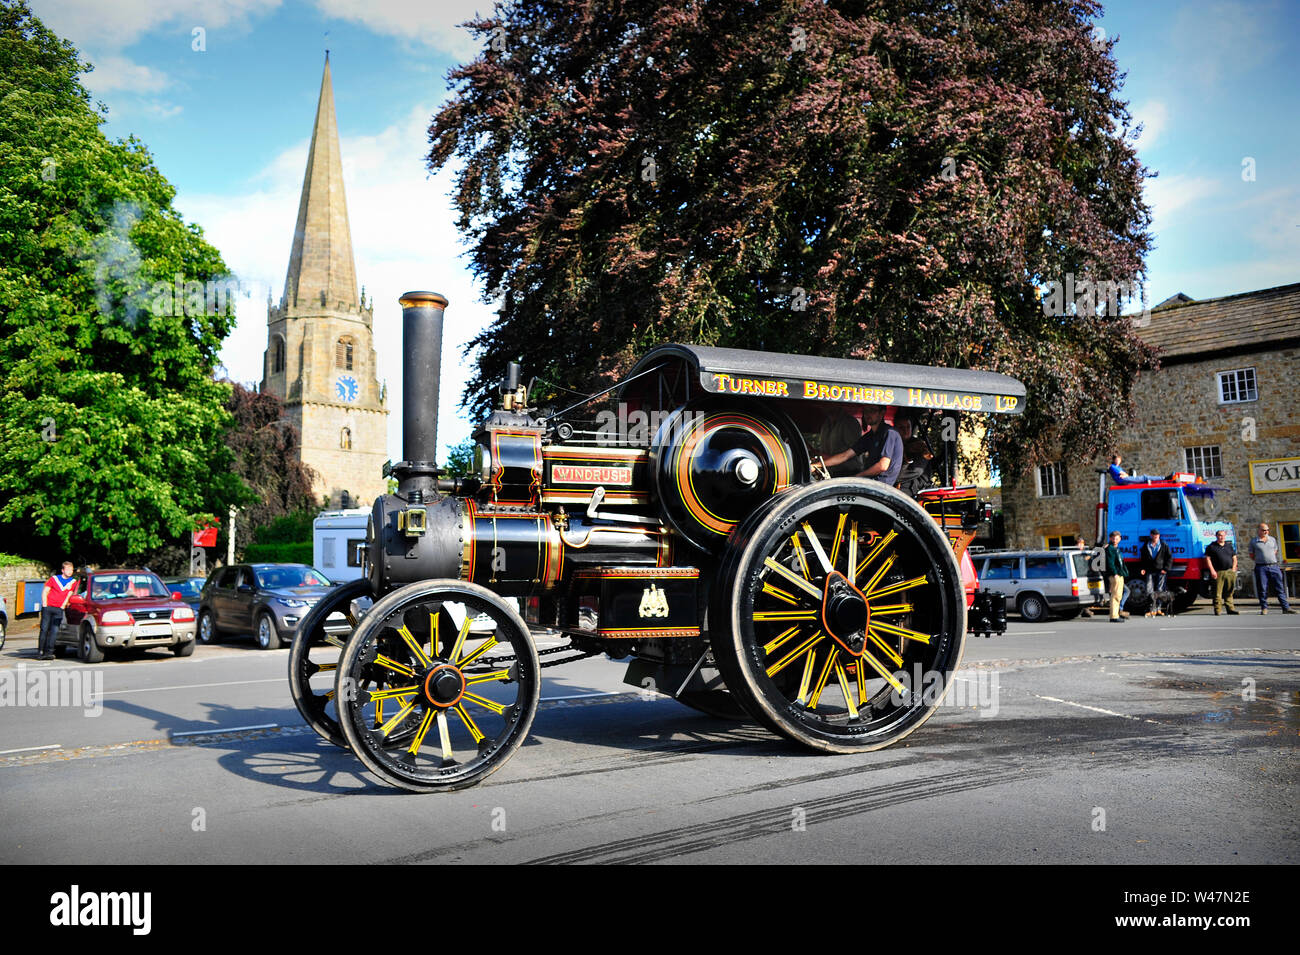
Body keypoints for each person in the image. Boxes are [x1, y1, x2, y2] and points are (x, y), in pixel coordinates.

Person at [818, 404, 904, 486]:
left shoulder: (889, 433)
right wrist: (818, 465)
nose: (868, 414)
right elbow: (845, 456)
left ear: (882, 413)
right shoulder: (869, 436)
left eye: (872, 410)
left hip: (882, 485)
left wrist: (857, 476)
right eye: (866, 411)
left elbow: (882, 466)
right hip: (870, 482)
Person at [1249, 522, 1294, 614]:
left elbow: (1275, 551)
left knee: (1280, 588)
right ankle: (1264, 608)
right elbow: (1252, 555)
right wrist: (1262, 560)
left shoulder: (1272, 540)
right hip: (1261, 567)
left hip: (1274, 566)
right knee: (1262, 588)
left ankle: (1286, 608)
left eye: (1267, 530)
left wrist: (1270, 559)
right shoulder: (1254, 541)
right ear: (1259, 531)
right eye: (1264, 530)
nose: (1266, 532)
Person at [38, 560, 78, 661]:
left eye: (71, 570)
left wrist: (63, 605)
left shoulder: (73, 582)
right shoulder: (54, 579)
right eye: (68, 569)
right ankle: (41, 651)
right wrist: (45, 604)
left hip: (59, 609)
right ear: (62, 570)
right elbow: (45, 591)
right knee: (44, 629)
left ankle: (50, 652)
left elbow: (69, 594)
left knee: (54, 631)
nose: (70, 571)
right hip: (48, 607)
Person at [894, 414, 934, 498]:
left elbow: (915, 470)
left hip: (915, 489)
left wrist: (890, 476)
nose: (905, 430)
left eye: (908, 427)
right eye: (901, 428)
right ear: (895, 429)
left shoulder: (919, 446)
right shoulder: (893, 444)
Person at [1205, 529, 1239, 615]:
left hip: (1229, 572)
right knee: (1217, 593)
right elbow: (1208, 559)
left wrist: (1234, 569)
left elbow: (1234, 558)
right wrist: (1212, 570)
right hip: (1218, 572)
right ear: (1216, 536)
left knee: (1229, 592)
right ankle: (1218, 610)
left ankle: (1230, 609)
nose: (1222, 537)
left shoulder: (1229, 546)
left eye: (1223, 535)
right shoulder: (1211, 547)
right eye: (1220, 535)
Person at [1138, 529, 1172, 616]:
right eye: (1153, 535)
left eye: (1157, 535)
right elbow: (1143, 558)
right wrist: (1142, 568)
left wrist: (1166, 569)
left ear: (1159, 536)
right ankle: (1151, 609)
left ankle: (1158, 609)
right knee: (1149, 590)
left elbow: (1169, 558)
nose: (1155, 536)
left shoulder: (1164, 545)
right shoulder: (1146, 545)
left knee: (1160, 591)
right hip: (1149, 570)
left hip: (1161, 571)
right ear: (1151, 535)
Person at [1105, 531, 1130, 622]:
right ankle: (1114, 616)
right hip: (1115, 575)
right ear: (1110, 538)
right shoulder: (1110, 548)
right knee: (1115, 595)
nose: (1115, 540)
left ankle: (1116, 614)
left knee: (1118, 595)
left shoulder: (1116, 548)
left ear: (1120, 539)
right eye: (1113, 538)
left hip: (1119, 574)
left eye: (1117, 538)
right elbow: (1110, 563)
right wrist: (1115, 573)